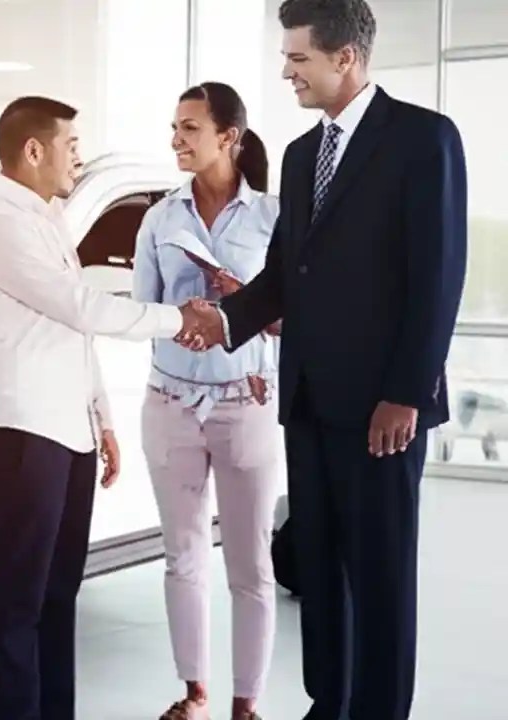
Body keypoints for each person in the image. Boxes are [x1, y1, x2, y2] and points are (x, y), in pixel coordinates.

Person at [181, 2, 468, 719]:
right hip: (307, 397)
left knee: (379, 573)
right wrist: (225, 320)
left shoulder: (423, 139)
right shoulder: (303, 154)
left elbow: (438, 275)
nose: (286, 71)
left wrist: (406, 390)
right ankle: (328, 701)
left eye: (298, 58)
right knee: (319, 567)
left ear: (345, 58)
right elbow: (285, 274)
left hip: (381, 408)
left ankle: (376, 709)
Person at [0, 95, 215, 720]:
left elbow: (71, 334)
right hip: (21, 430)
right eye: (71, 146)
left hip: (63, 431)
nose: (78, 156)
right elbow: (81, 307)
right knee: (16, 603)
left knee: (56, 597)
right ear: (34, 150)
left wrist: (100, 417)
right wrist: (176, 317)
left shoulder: (45, 218)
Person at [132, 81, 281, 720]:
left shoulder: (275, 217)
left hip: (245, 403)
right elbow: (141, 311)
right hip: (170, 404)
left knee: (250, 565)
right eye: (174, 128)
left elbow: (293, 319)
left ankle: (246, 705)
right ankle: (195, 693)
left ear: (230, 137)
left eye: (189, 128)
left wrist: (242, 296)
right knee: (183, 557)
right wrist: (182, 313)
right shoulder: (160, 218)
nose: (176, 140)